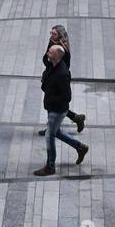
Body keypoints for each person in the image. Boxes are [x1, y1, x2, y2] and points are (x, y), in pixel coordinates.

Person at [33, 45, 88, 177]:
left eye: (50, 52)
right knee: (55, 132)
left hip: (57, 111)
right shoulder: (53, 65)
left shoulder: (62, 73)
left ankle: (50, 166)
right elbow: (45, 62)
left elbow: (67, 96)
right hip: (52, 107)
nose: (47, 53)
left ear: (57, 56)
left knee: (49, 135)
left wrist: (52, 99)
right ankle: (80, 147)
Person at [37, 25, 84, 136]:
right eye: (51, 33)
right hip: (50, 75)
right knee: (53, 102)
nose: (51, 35)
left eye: (54, 33)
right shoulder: (52, 43)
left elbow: (64, 66)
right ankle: (75, 118)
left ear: (59, 35)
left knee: (54, 103)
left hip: (57, 79)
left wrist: (51, 66)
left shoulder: (63, 50)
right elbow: (46, 59)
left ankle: (52, 128)